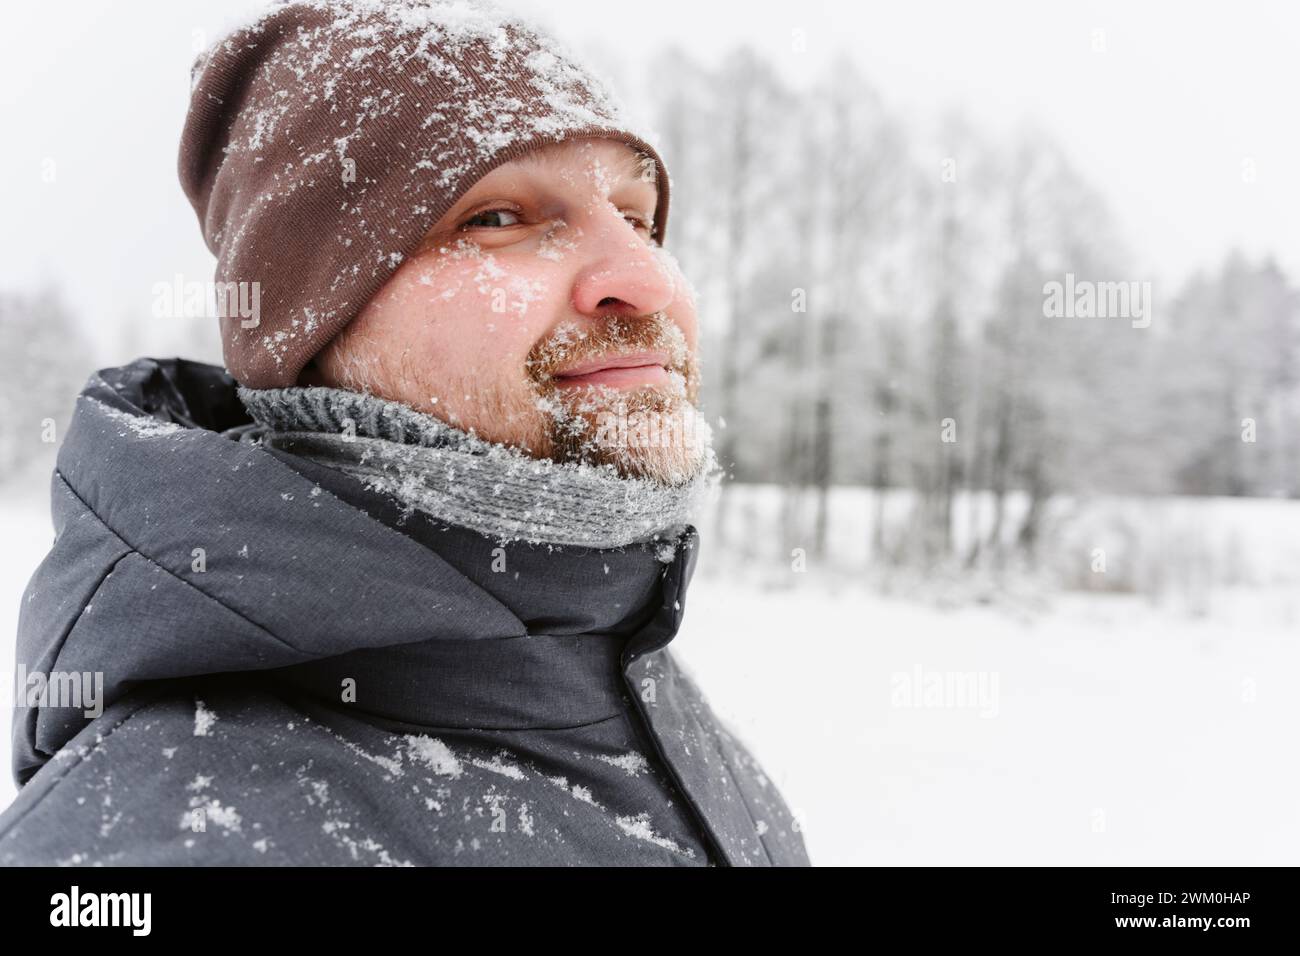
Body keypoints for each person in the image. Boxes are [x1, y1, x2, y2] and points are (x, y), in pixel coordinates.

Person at [0, 0, 809, 866]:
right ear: (310, 328)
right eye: (496, 217)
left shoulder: (639, 699)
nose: (645, 277)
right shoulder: (153, 840)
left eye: (638, 217)